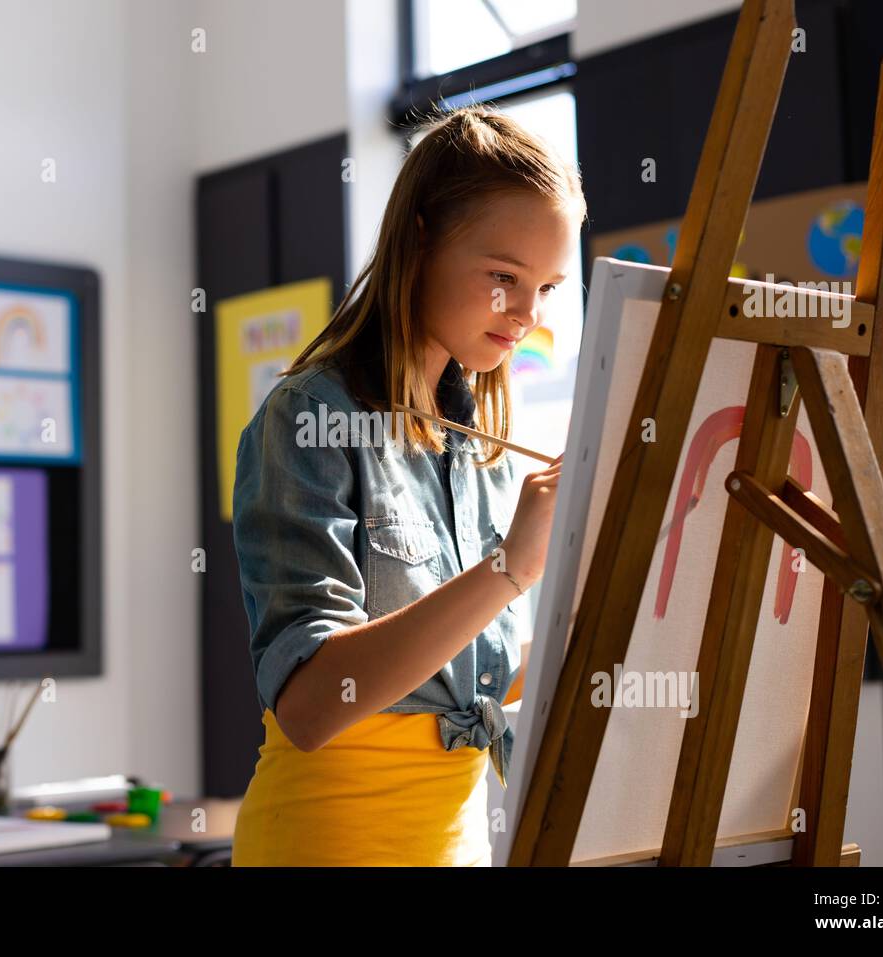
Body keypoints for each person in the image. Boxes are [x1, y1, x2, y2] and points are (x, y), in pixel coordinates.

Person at [230, 104, 586, 866]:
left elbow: (463, 670)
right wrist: (507, 572)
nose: (526, 313)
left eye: (548, 288)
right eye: (503, 278)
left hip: (454, 844)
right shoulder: (308, 418)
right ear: (420, 239)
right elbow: (311, 703)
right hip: (327, 842)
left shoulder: (484, 447)